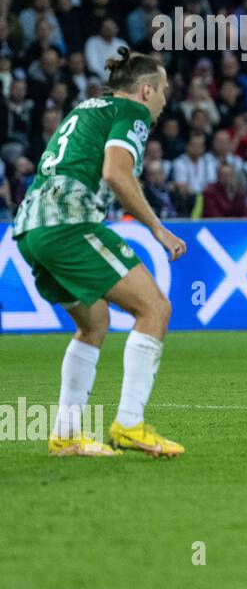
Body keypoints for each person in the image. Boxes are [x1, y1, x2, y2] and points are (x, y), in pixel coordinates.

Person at [12, 50, 187, 457]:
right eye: (162, 91)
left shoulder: (90, 106)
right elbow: (114, 172)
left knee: (94, 324)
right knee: (155, 309)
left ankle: (66, 434)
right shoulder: (134, 113)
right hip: (67, 222)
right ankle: (129, 424)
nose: (164, 100)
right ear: (145, 89)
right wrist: (156, 228)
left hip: (30, 226)